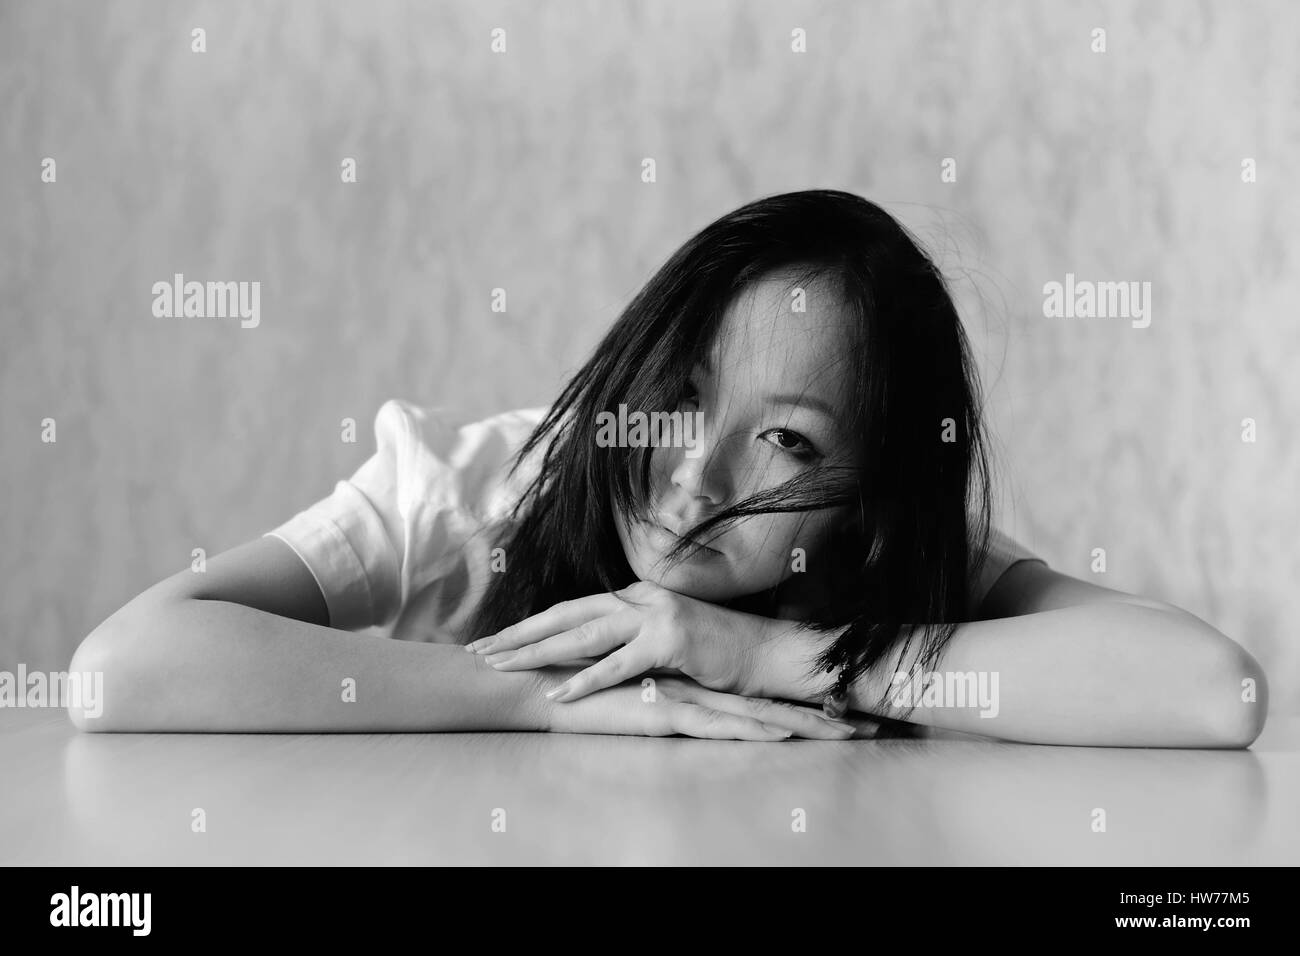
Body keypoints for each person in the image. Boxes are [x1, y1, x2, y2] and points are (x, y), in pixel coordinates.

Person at [68, 190, 1267, 746]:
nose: (690, 473)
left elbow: (1212, 692)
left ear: (865, 499)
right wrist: (543, 695)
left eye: (788, 439)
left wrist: (775, 656)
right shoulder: (474, 484)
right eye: (680, 395)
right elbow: (122, 673)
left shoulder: (881, 553)